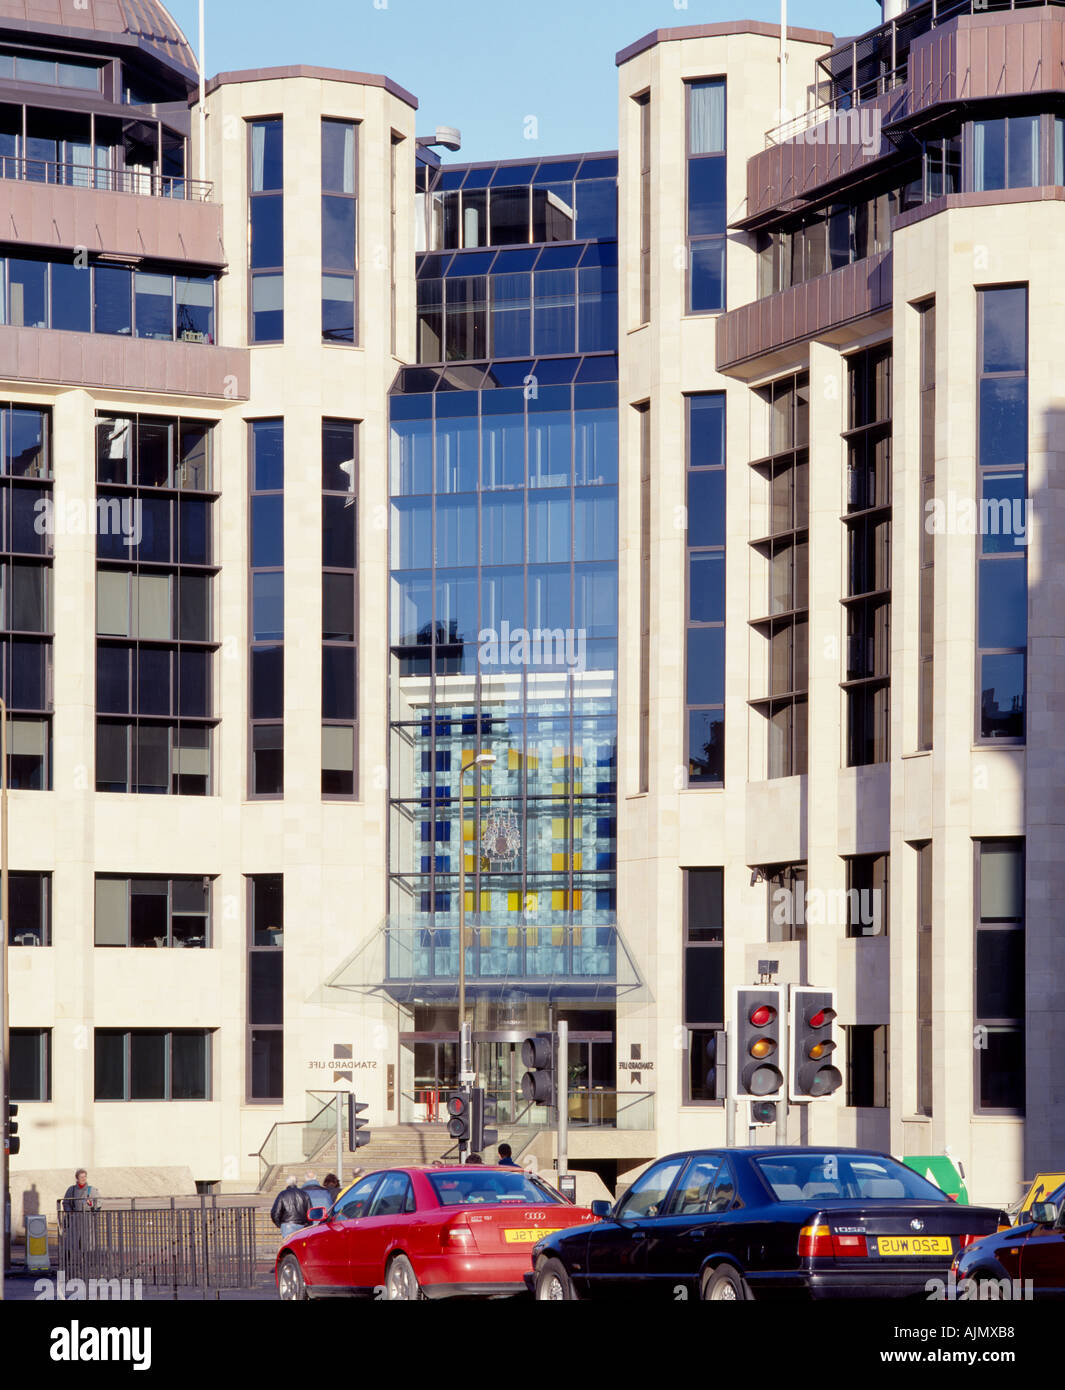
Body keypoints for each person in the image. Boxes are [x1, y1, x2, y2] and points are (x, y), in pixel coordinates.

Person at [271, 1176, 311, 1242]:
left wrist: (280, 1224)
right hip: (302, 1224)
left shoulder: (282, 1194)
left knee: (288, 1245)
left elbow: (275, 1212)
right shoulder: (304, 1194)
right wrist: (307, 1224)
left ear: (287, 1183)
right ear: (296, 1183)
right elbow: (309, 1211)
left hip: (287, 1224)